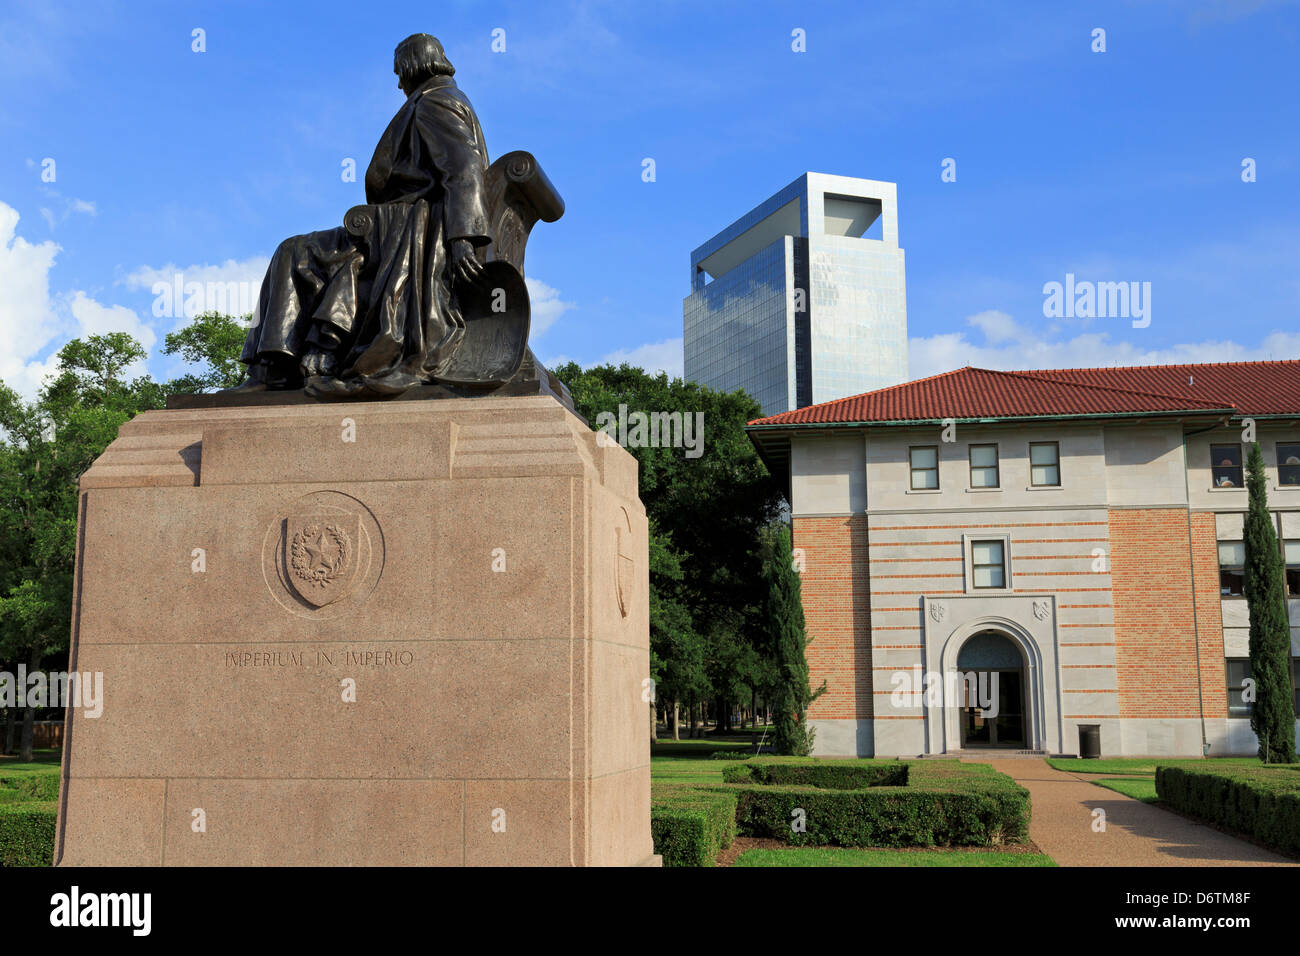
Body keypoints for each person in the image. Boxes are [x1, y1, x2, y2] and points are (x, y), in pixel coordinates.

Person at [230, 33, 490, 396]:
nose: (399, 81)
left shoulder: (435, 102)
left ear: (415, 65)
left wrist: (463, 239)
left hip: (407, 232)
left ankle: (272, 371)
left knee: (293, 250)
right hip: (396, 230)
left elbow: (464, 168)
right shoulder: (443, 99)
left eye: (400, 71)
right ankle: (285, 364)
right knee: (305, 251)